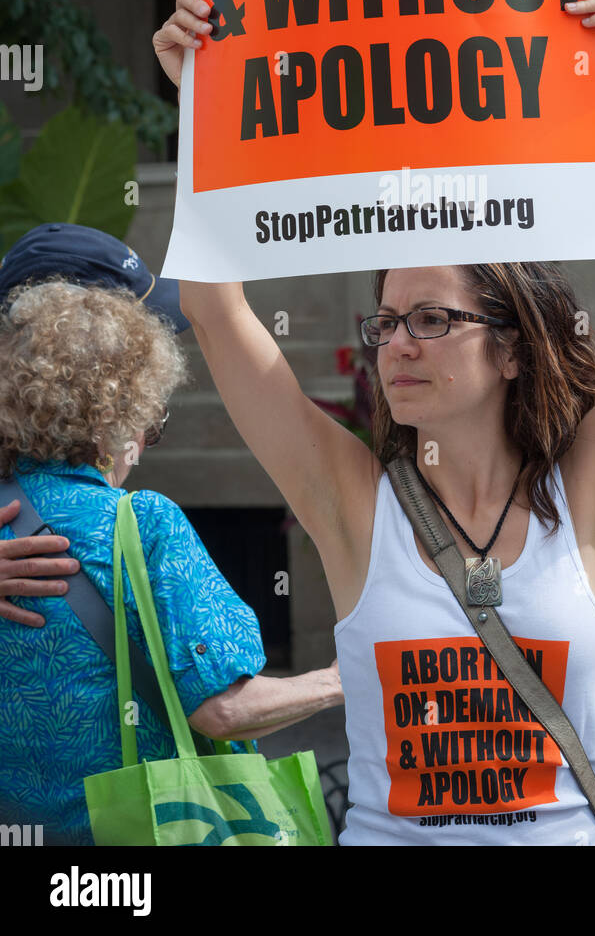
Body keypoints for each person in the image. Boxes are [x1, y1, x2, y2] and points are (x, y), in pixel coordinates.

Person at [13, 0, 595, 844]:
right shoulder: (356, 504)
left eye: (432, 320)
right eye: (386, 322)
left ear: (512, 350)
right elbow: (221, 316)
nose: (397, 344)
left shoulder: (588, 497)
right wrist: (207, 108)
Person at [0, 228, 342, 844]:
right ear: (119, 403)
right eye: (150, 422)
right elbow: (224, 708)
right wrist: (343, 678)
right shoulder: (143, 523)